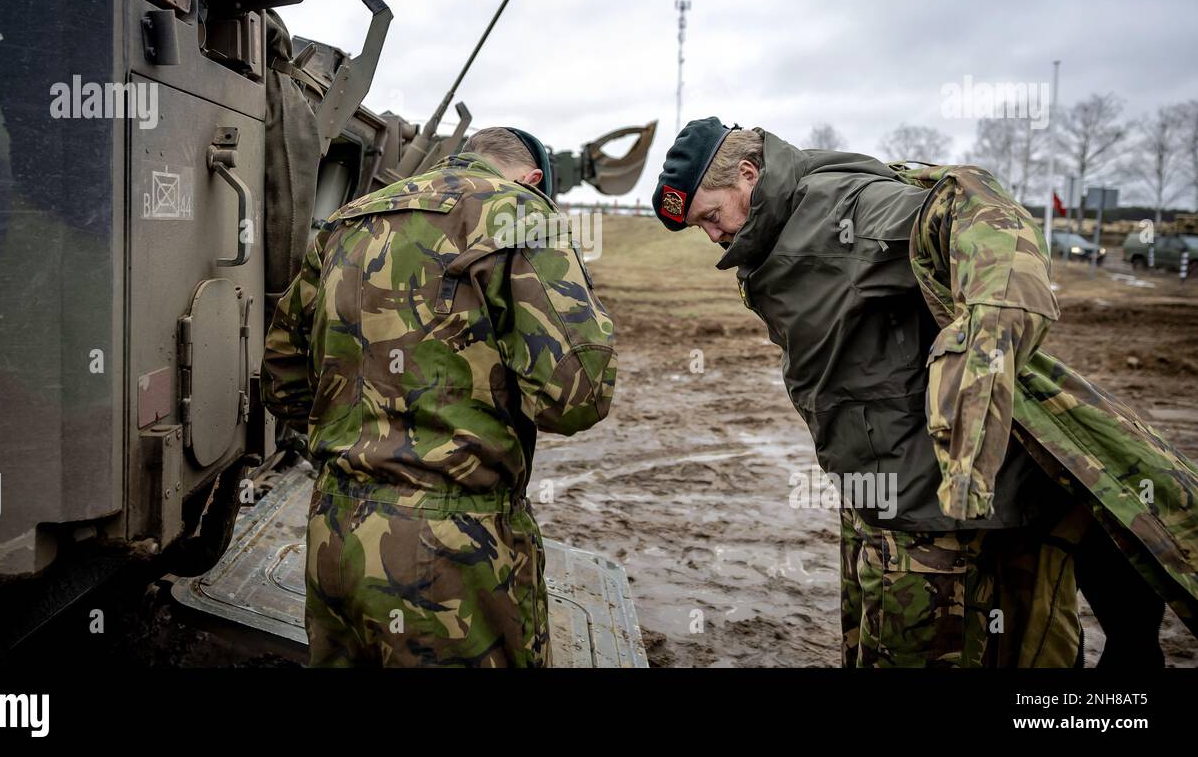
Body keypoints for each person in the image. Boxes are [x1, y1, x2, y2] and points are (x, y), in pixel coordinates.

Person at [652, 117, 1198, 666]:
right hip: (875, 493)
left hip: (931, 517)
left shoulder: (845, 209)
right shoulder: (781, 228)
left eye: (712, 216)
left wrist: (987, 335)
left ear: (748, 174)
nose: (714, 236)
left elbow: (975, 210)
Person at [263, 127, 617, 666]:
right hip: (454, 557)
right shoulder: (520, 214)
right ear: (533, 180)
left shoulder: (349, 220)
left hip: (334, 534)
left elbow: (282, 375)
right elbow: (577, 397)